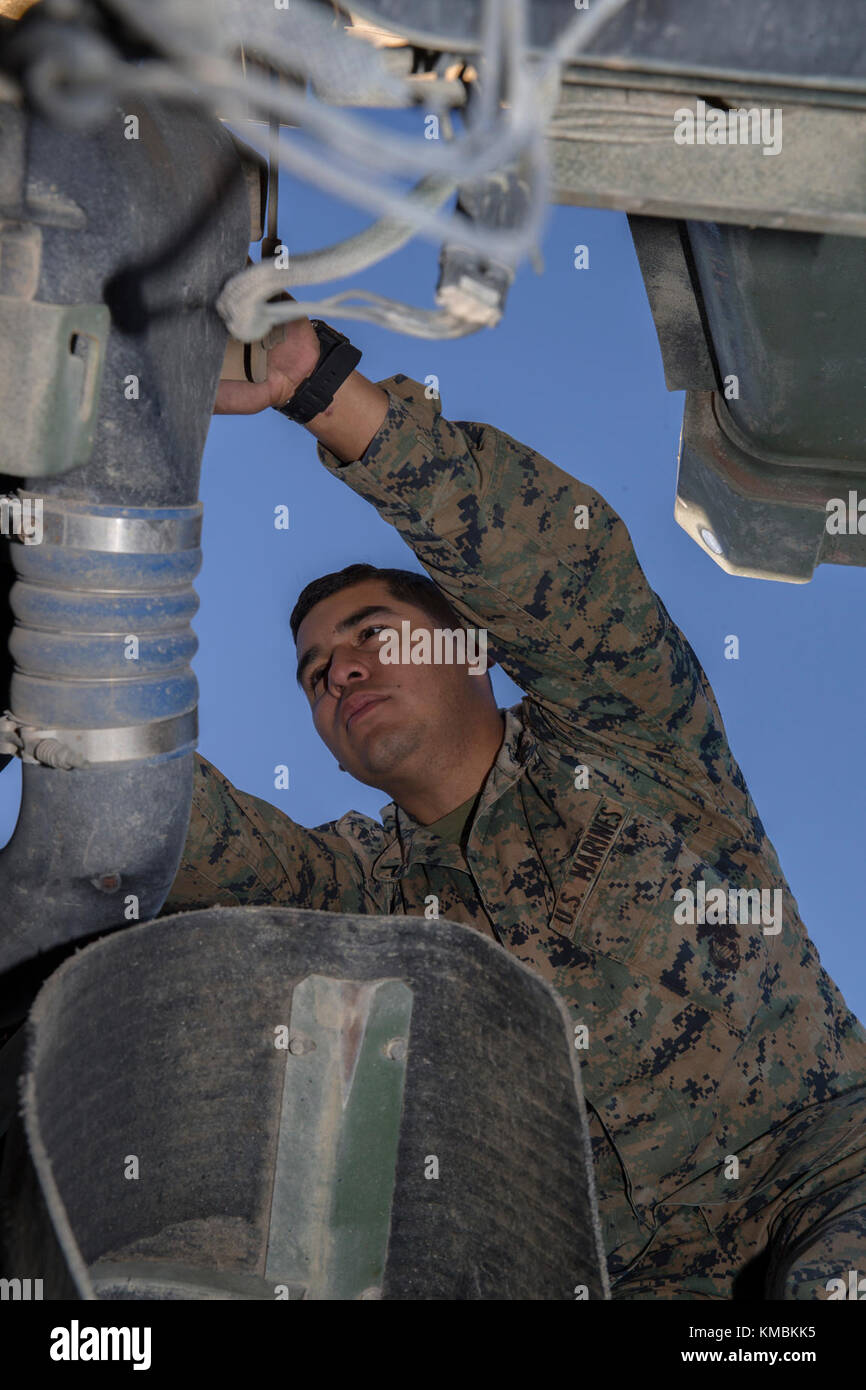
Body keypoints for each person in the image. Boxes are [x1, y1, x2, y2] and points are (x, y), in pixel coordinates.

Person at [162, 311, 866, 1300]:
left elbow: (563, 574)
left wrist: (320, 388)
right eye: (315, 673)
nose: (341, 671)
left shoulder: (625, 738)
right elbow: (164, 826)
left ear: (469, 648)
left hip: (827, 1169)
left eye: (371, 633)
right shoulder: (356, 899)